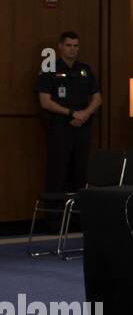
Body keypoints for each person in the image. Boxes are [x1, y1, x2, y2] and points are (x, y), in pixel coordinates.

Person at [36, 31, 102, 193]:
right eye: (68, 45)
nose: (72, 49)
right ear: (60, 47)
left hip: (82, 127)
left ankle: (76, 215)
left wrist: (85, 114)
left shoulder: (84, 70)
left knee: (79, 172)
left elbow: (97, 98)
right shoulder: (49, 69)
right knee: (57, 172)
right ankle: (55, 216)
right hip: (60, 127)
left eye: (75, 46)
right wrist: (72, 113)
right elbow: (45, 101)